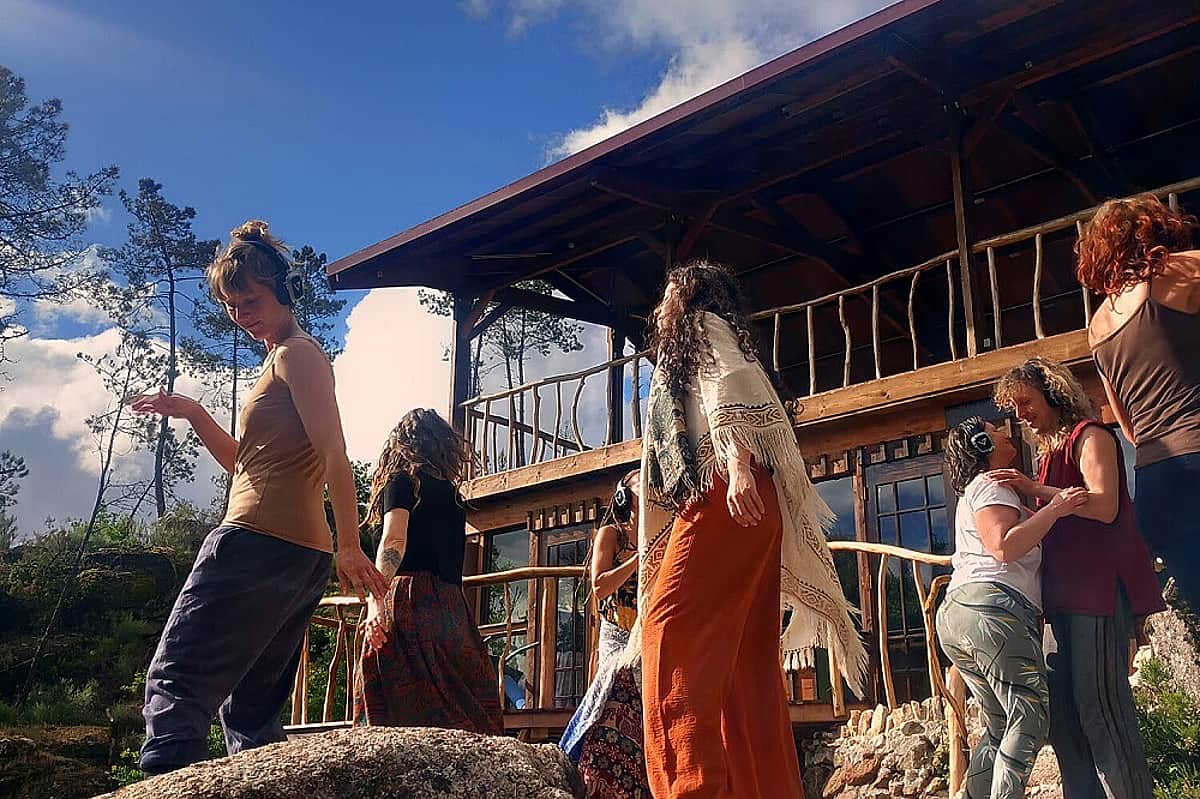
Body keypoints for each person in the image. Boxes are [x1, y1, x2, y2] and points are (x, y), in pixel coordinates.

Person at [130, 220, 388, 773]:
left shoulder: (297, 354)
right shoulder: (282, 359)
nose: (241, 316)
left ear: (283, 293)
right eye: (231, 307)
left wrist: (351, 545)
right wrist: (195, 413)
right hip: (298, 559)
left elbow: (335, 454)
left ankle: (165, 785)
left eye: (250, 301)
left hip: (254, 545)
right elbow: (245, 464)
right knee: (250, 709)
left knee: (175, 683)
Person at [630, 258, 867, 799]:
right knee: (743, 665)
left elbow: (726, 393)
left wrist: (736, 465)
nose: (662, 303)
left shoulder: (699, 329)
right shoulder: (716, 339)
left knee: (668, 636)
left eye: (670, 292)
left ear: (691, 296)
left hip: (727, 496)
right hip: (750, 507)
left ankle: (688, 789)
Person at [991, 358, 1165, 799]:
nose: (1020, 413)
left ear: (1051, 393)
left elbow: (1105, 506)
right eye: (1013, 407)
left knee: (1100, 710)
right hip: (1059, 599)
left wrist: (1035, 491)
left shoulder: (1090, 435)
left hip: (1098, 592)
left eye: (1025, 402)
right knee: (1063, 717)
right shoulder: (1049, 454)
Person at [937, 417, 1086, 799]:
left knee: (1001, 723)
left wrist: (1038, 494)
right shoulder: (991, 485)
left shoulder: (980, 490)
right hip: (992, 610)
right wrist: (1056, 509)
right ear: (983, 445)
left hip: (959, 613)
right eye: (995, 429)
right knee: (1029, 716)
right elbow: (1003, 546)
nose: (1006, 432)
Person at [1075, 194, 1200, 613]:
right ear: (1159, 231)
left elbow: (1128, 428)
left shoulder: (1097, 327)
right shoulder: (1179, 271)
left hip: (1156, 483)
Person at [352, 408, 502, 734]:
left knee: (392, 699)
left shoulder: (403, 482)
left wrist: (377, 602)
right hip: (451, 608)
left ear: (401, 444)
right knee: (460, 701)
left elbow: (394, 540)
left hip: (408, 601)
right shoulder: (451, 495)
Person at [560, 470, 651, 799]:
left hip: (648, 632)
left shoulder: (657, 531)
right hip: (617, 635)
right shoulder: (610, 533)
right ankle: (597, 775)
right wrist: (639, 559)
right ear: (626, 499)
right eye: (641, 486)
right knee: (617, 684)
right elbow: (600, 587)